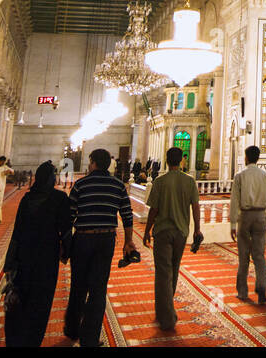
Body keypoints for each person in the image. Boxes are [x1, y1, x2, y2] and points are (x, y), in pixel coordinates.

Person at [64, 148, 135, 347]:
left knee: (78, 285)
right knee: (97, 288)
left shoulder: (81, 185)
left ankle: (72, 329)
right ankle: (90, 339)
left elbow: (69, 216)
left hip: (83, 240)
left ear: (93, 163)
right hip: (106, 240)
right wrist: (129, 242)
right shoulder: (117, 186)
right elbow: (127, 215)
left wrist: (65, 245)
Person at [4, 161, 74, 346]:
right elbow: (66, 229)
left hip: (24, 255)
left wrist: (10, 260)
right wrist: (66, 252)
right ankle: (33, 339)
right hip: (46, 256)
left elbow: (17, 232)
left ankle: (17, 338)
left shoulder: (27, 199)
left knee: (23, 295)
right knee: (41, 299)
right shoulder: (59, 198)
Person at [144, 146, 202, 332]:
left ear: (167, 161)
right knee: (173, 271)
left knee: (163, 274)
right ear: (182, 161)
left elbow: (154, 210)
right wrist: (197, 230)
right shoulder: (189, 181)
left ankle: (166, 316)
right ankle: (166, 309)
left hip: (162, 232)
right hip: (181, 233)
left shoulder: (160, 182)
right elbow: (195, 207)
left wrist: (147, 231)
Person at [230, 145, 266, 305]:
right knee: (259, 255)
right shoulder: (264, 175)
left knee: (243, 256)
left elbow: (234, 200)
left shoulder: (240, 175)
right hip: (260, 215)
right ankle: (261, 287)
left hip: (246, 216)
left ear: (246, 157)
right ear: (258, 158)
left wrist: (233, 224)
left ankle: (242, 292)